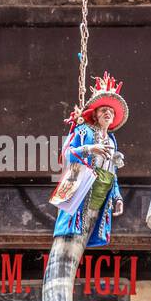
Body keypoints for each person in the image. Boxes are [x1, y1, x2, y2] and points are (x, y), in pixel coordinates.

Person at [51, 73, 127, 247]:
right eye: (103, 110)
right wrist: (89, 149)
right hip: (81, 191)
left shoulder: (112, 141)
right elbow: (66, 154)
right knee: (68, 243)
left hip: (100, 198)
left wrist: (117, 197)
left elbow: (112, 171)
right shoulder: (84, 130)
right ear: (95, 115)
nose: (108, 112)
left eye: (111, 110)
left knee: (83, 242)